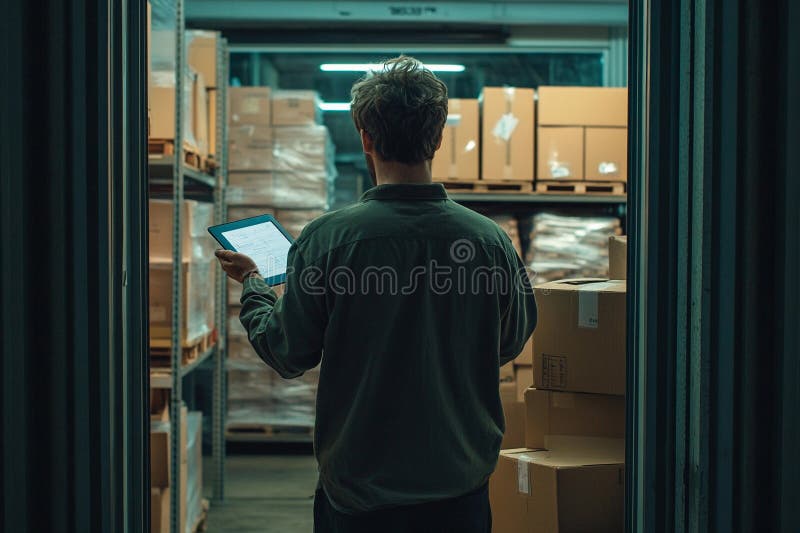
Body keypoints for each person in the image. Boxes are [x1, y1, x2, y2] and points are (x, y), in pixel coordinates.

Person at [215, 56, 537, 533]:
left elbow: (288, 352)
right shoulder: (490, 243)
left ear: (365, 137)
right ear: (438, 137)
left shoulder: (328, 240)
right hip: (458, 488)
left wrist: (254, 284)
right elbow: (509, 341)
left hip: (359, 495)